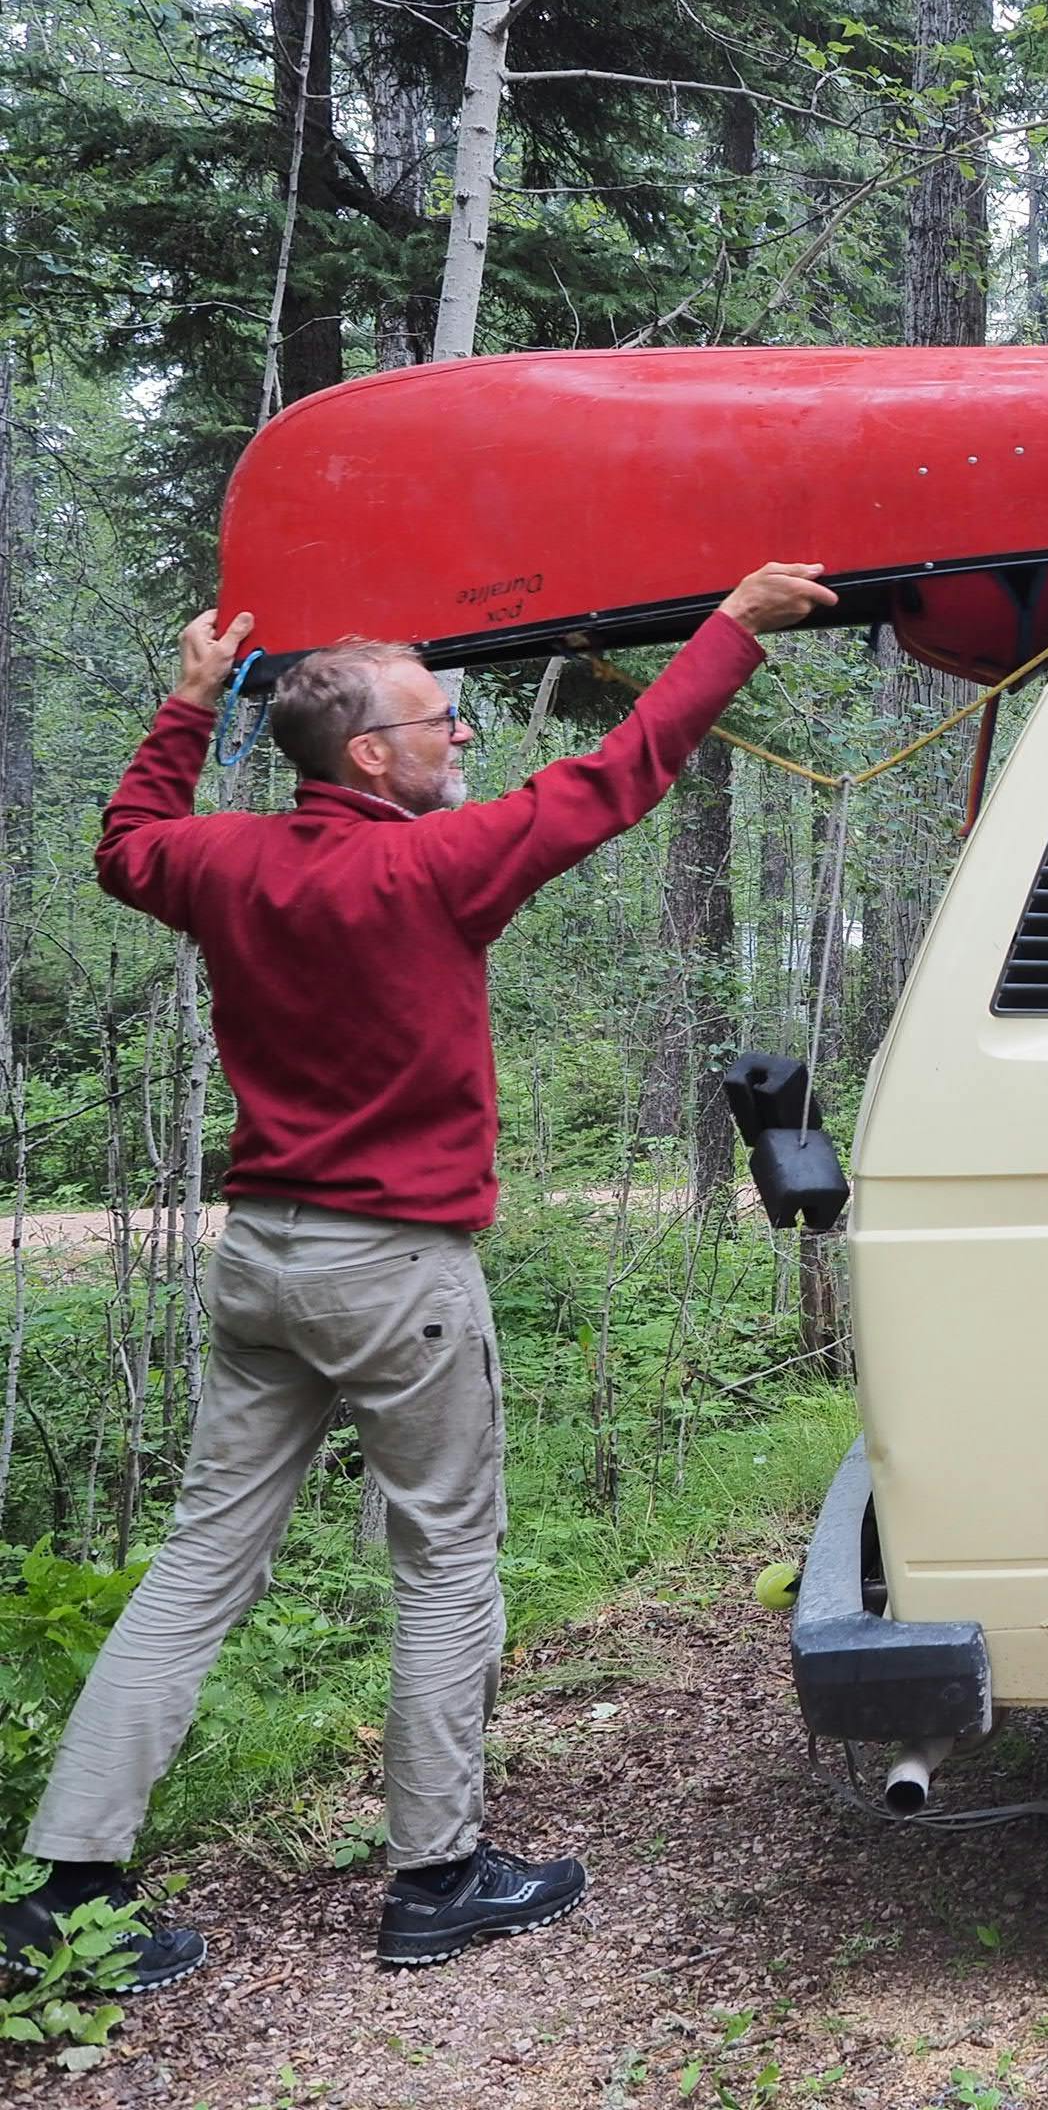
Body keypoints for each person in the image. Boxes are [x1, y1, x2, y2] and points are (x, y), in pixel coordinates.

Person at [1, 563, 837, 1988]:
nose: (463, 734)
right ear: (369, 755)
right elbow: (623, 772)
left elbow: (130, 839)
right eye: (440, 720)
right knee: (446, 1564)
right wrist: (733, 629)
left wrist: (190, 701)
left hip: (263, 1261)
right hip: (396, 1273)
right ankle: (439, 1879)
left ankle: (62, 1890)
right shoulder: (432, 867)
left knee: (201, 1561)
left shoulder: (229, 863)